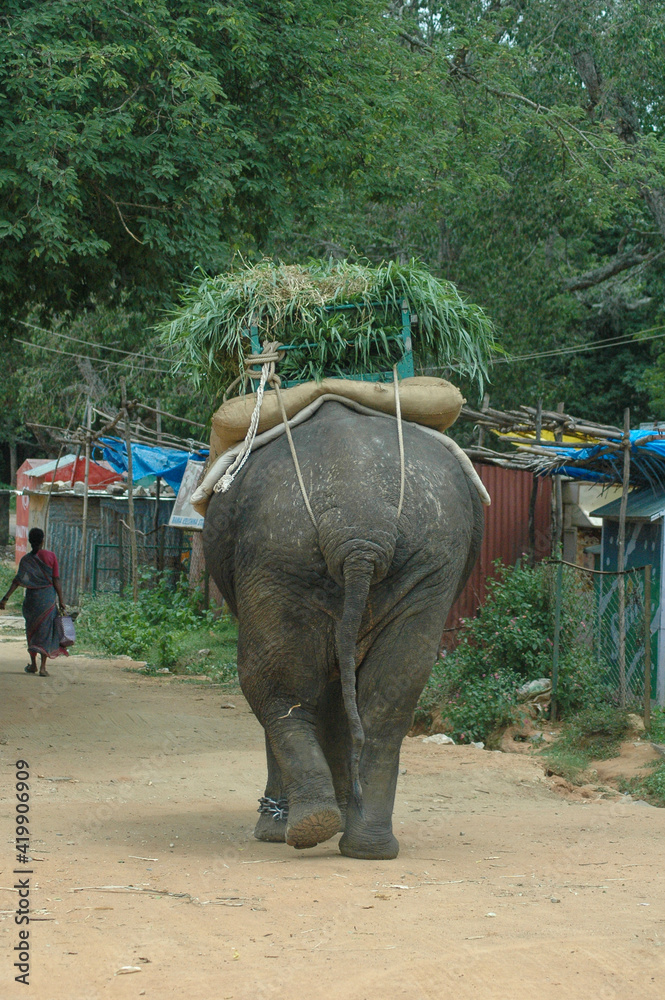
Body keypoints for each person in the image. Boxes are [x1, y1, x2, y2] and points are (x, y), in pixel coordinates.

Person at [0, 528, 67, 676]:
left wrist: (5, 599)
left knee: (32, 630)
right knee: (46, 631)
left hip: (32, 600)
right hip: (47, 599)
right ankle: (43, 667)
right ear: (43, 540)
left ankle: (33, 664)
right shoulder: (51, 556)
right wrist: (61, 601)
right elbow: (56, 580)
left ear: (30, 541)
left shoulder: (26, 560)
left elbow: (17, 581)